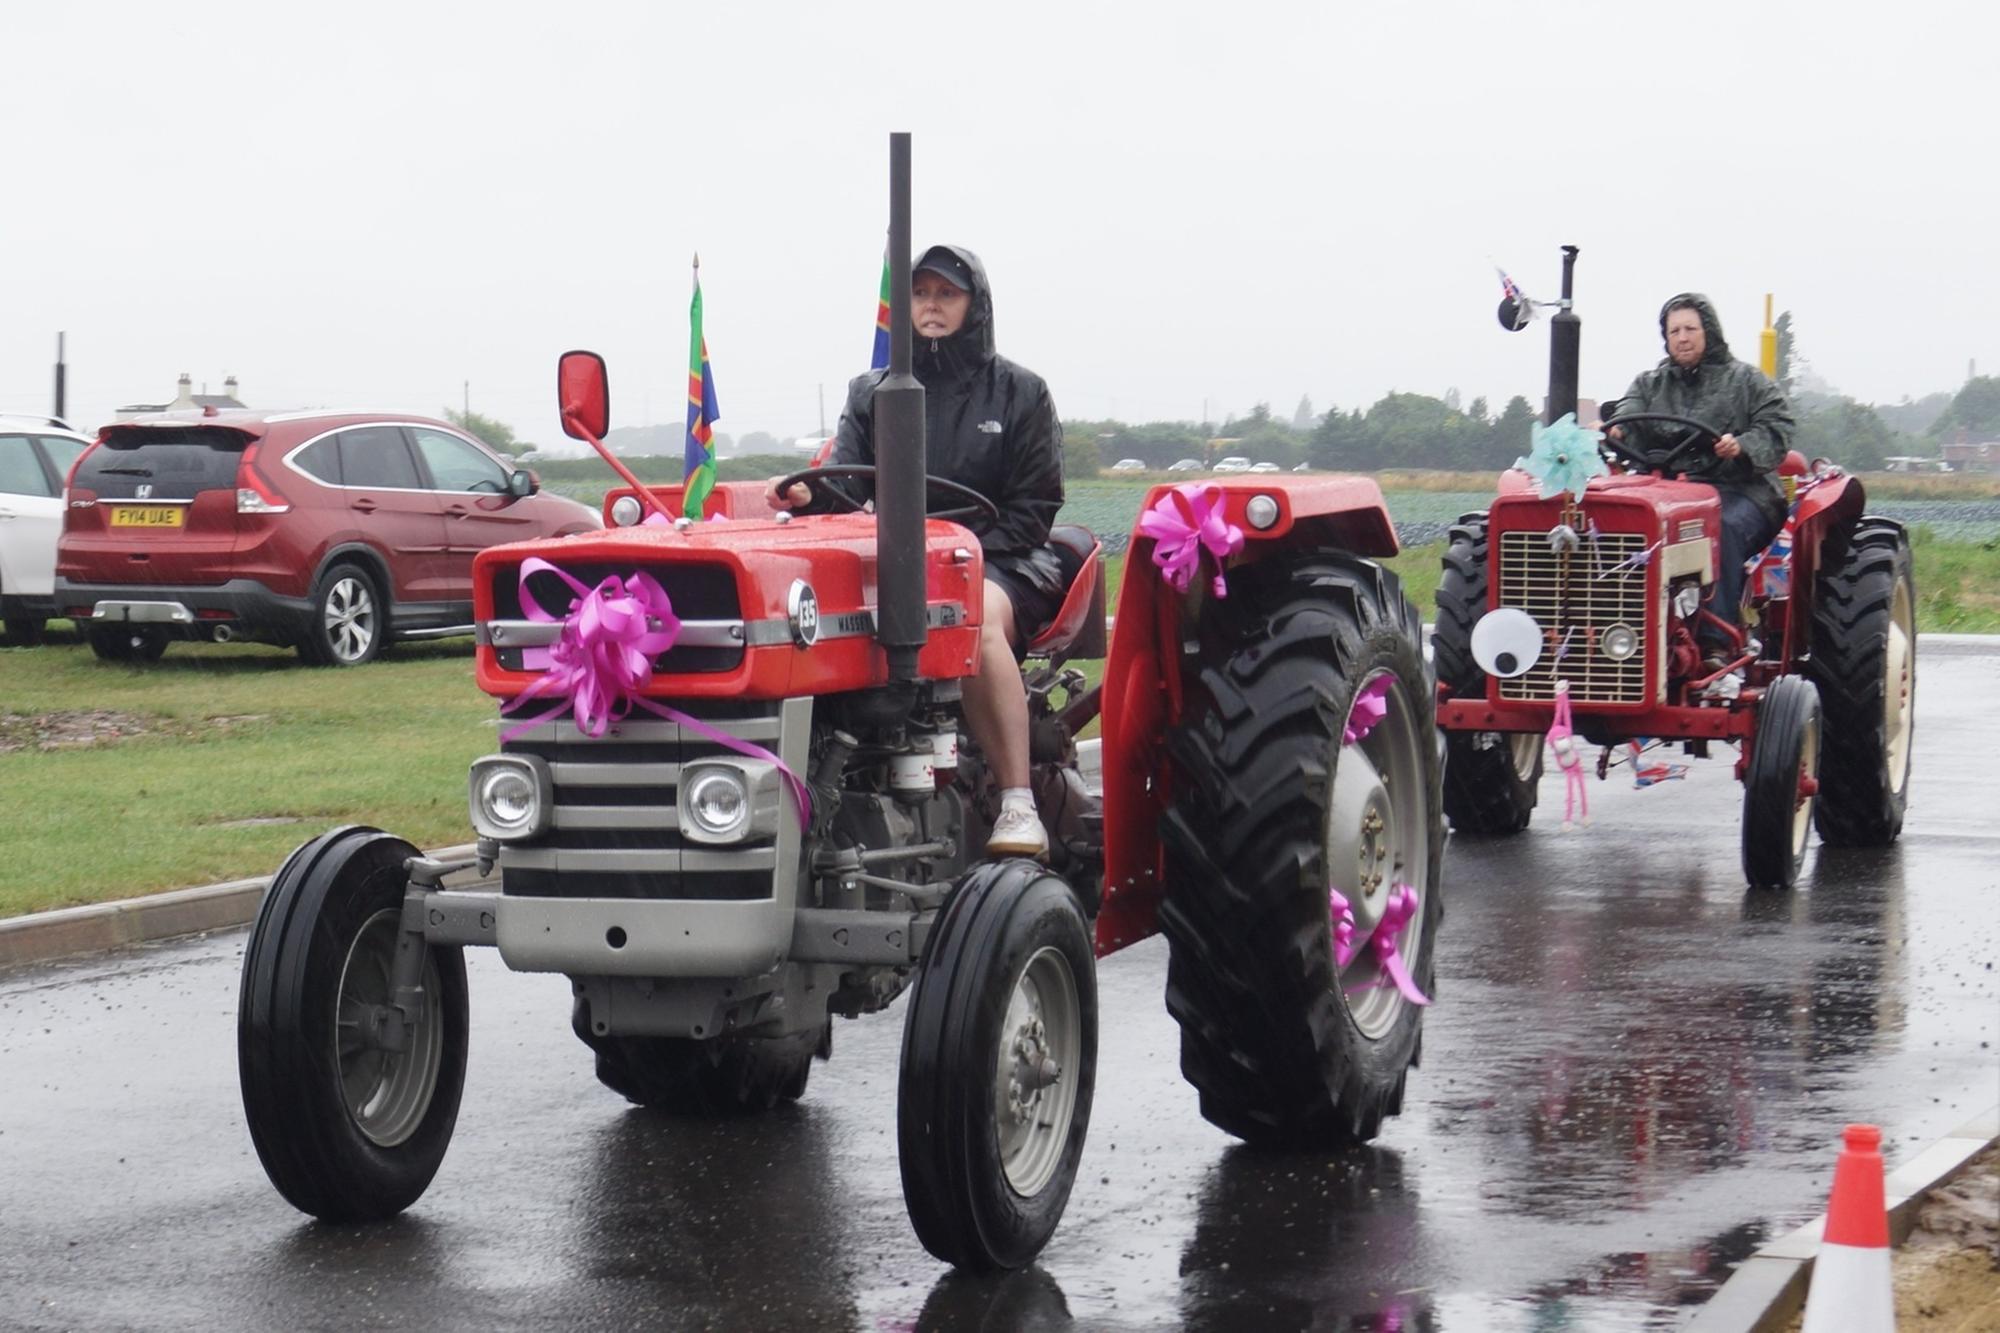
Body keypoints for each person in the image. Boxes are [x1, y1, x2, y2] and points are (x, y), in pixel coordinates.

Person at [767, 244, 1065, 857]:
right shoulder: (871, 392)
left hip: (1000, 559)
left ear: (975, 306)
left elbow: (1035, 507)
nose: (932, 306)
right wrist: (807, 496)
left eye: (947, 294)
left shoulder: (1020, 393)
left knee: (974, 618)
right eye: (921, 294)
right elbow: (847, 488)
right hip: (901, 560)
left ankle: (1017, 803)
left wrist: (957, 555)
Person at [1607, 293, 1795, 670]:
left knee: (1720, 528)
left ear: (1708, 331)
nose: (1682, 338)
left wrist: (1741, 445)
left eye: (1690, 329)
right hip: (1668, 492)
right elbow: (1629, 413)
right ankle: (1622, 634)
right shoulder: (1650, 384)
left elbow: (1777, 427)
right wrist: (1617, 430)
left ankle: (1716, 642)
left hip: (1739, 489)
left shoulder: (1746, 381)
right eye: (1674, 331)